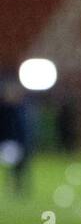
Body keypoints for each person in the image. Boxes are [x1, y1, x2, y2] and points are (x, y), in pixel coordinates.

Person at [0, 68, 34, 198]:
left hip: (21, 142)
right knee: (11, 166)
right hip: (9, 142)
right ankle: (11, 187)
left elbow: (24, 128)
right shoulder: (5, 109)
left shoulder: (21, 108)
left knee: (21, 166)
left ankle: (20, 188)